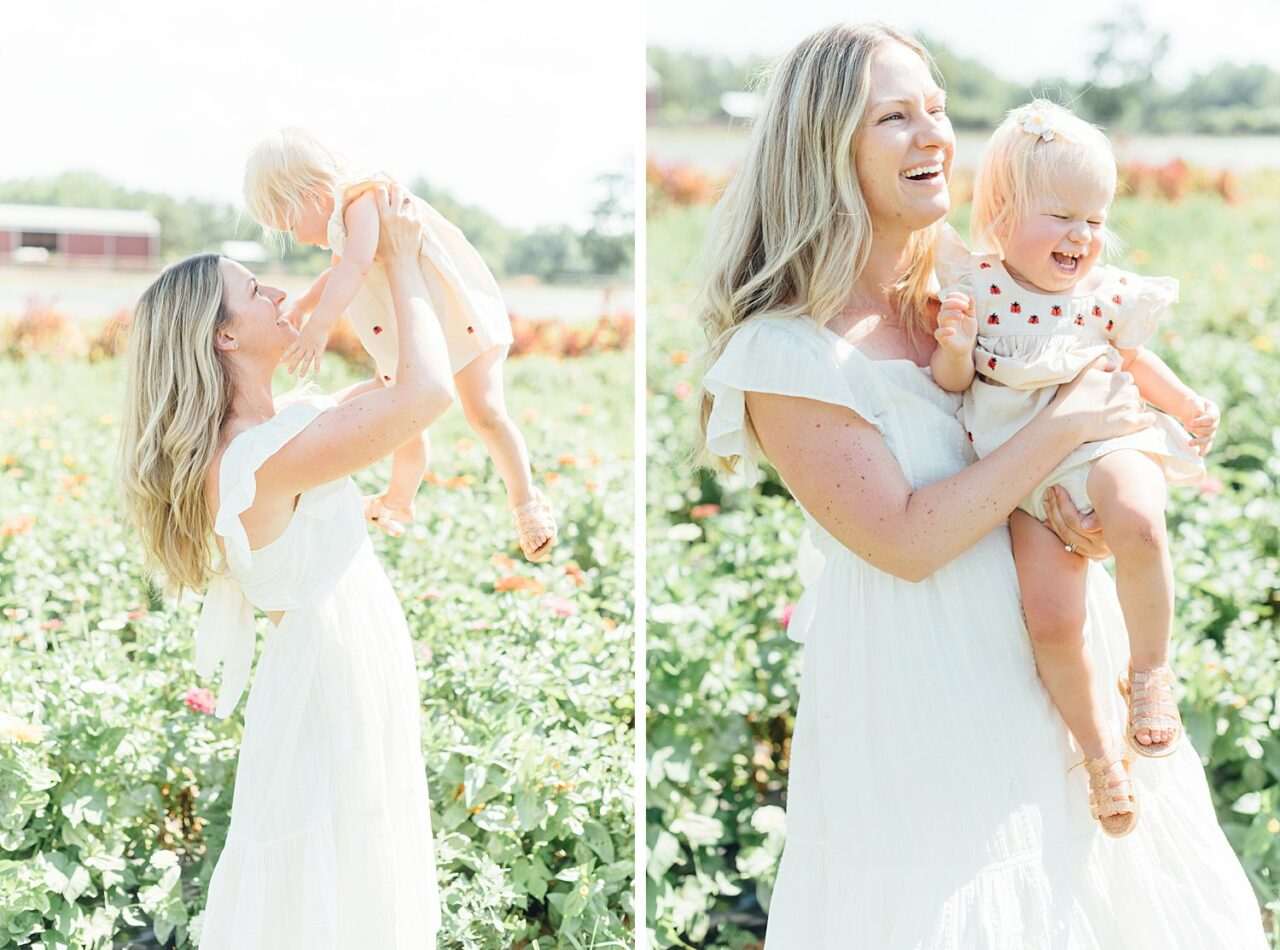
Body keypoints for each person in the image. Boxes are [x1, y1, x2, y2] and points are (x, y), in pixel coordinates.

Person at [696, 22, 1266, 948]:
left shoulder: (973, 285)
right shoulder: (786, 351)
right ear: (824, 147)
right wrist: (1062, 432)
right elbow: (907, 540)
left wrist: (1087, 495)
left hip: (1063, 661)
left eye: (938, 108)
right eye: (894, 116)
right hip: (930, 701)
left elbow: (1106, 384)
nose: (933, 135)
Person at [117, 184, 449, 948]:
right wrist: (396, 261)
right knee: (336, 896)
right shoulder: (258, 456)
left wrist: (366, 272)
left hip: (338, 672)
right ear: (224, 339)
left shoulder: (271, 433)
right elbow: (426, 392)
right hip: (328, 692)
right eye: (251, 291)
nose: (275, 291)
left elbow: (398, 382)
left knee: (346, 884)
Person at [931, 98, 1220, 836]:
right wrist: (957, 348)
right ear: (1001, 212)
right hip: (1022, 474)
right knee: (1053, 621)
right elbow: (957, 386)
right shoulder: (981, 288)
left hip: (1103, 442)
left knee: (1139, 518)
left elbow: (1133, 358)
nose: (1082, 236)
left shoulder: (1106, 293)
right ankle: (1100, 757)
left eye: (1094, 220)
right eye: (1061, 215)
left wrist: (1185, 402)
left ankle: (1150, 673)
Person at [243, 127, 556, 560]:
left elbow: (353, 269)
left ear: (313, 194)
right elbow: (335, 272)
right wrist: (300, 306)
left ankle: (524, 499)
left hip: (455, 316)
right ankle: (398, 500)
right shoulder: (342, 223)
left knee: (484, 412)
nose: (297, 238)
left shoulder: (363, 202)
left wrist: (318, 328)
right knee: (403, 423)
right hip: (413, 329)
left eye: (292, 224)